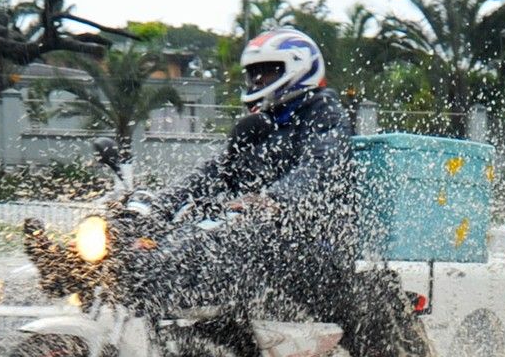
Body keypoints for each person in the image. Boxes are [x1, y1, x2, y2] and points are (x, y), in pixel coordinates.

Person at [138, 29, 359, 317]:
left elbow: (319, 167)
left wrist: (273, 200)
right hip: (261, 233)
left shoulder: (324, 113)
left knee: (210, 249)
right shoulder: (261, 124)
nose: (258, 80)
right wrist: (158, 205)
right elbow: (214, 171)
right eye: (254, 73)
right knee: (171, 250)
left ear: (298, 67)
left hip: (312, 241)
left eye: (268, 71)